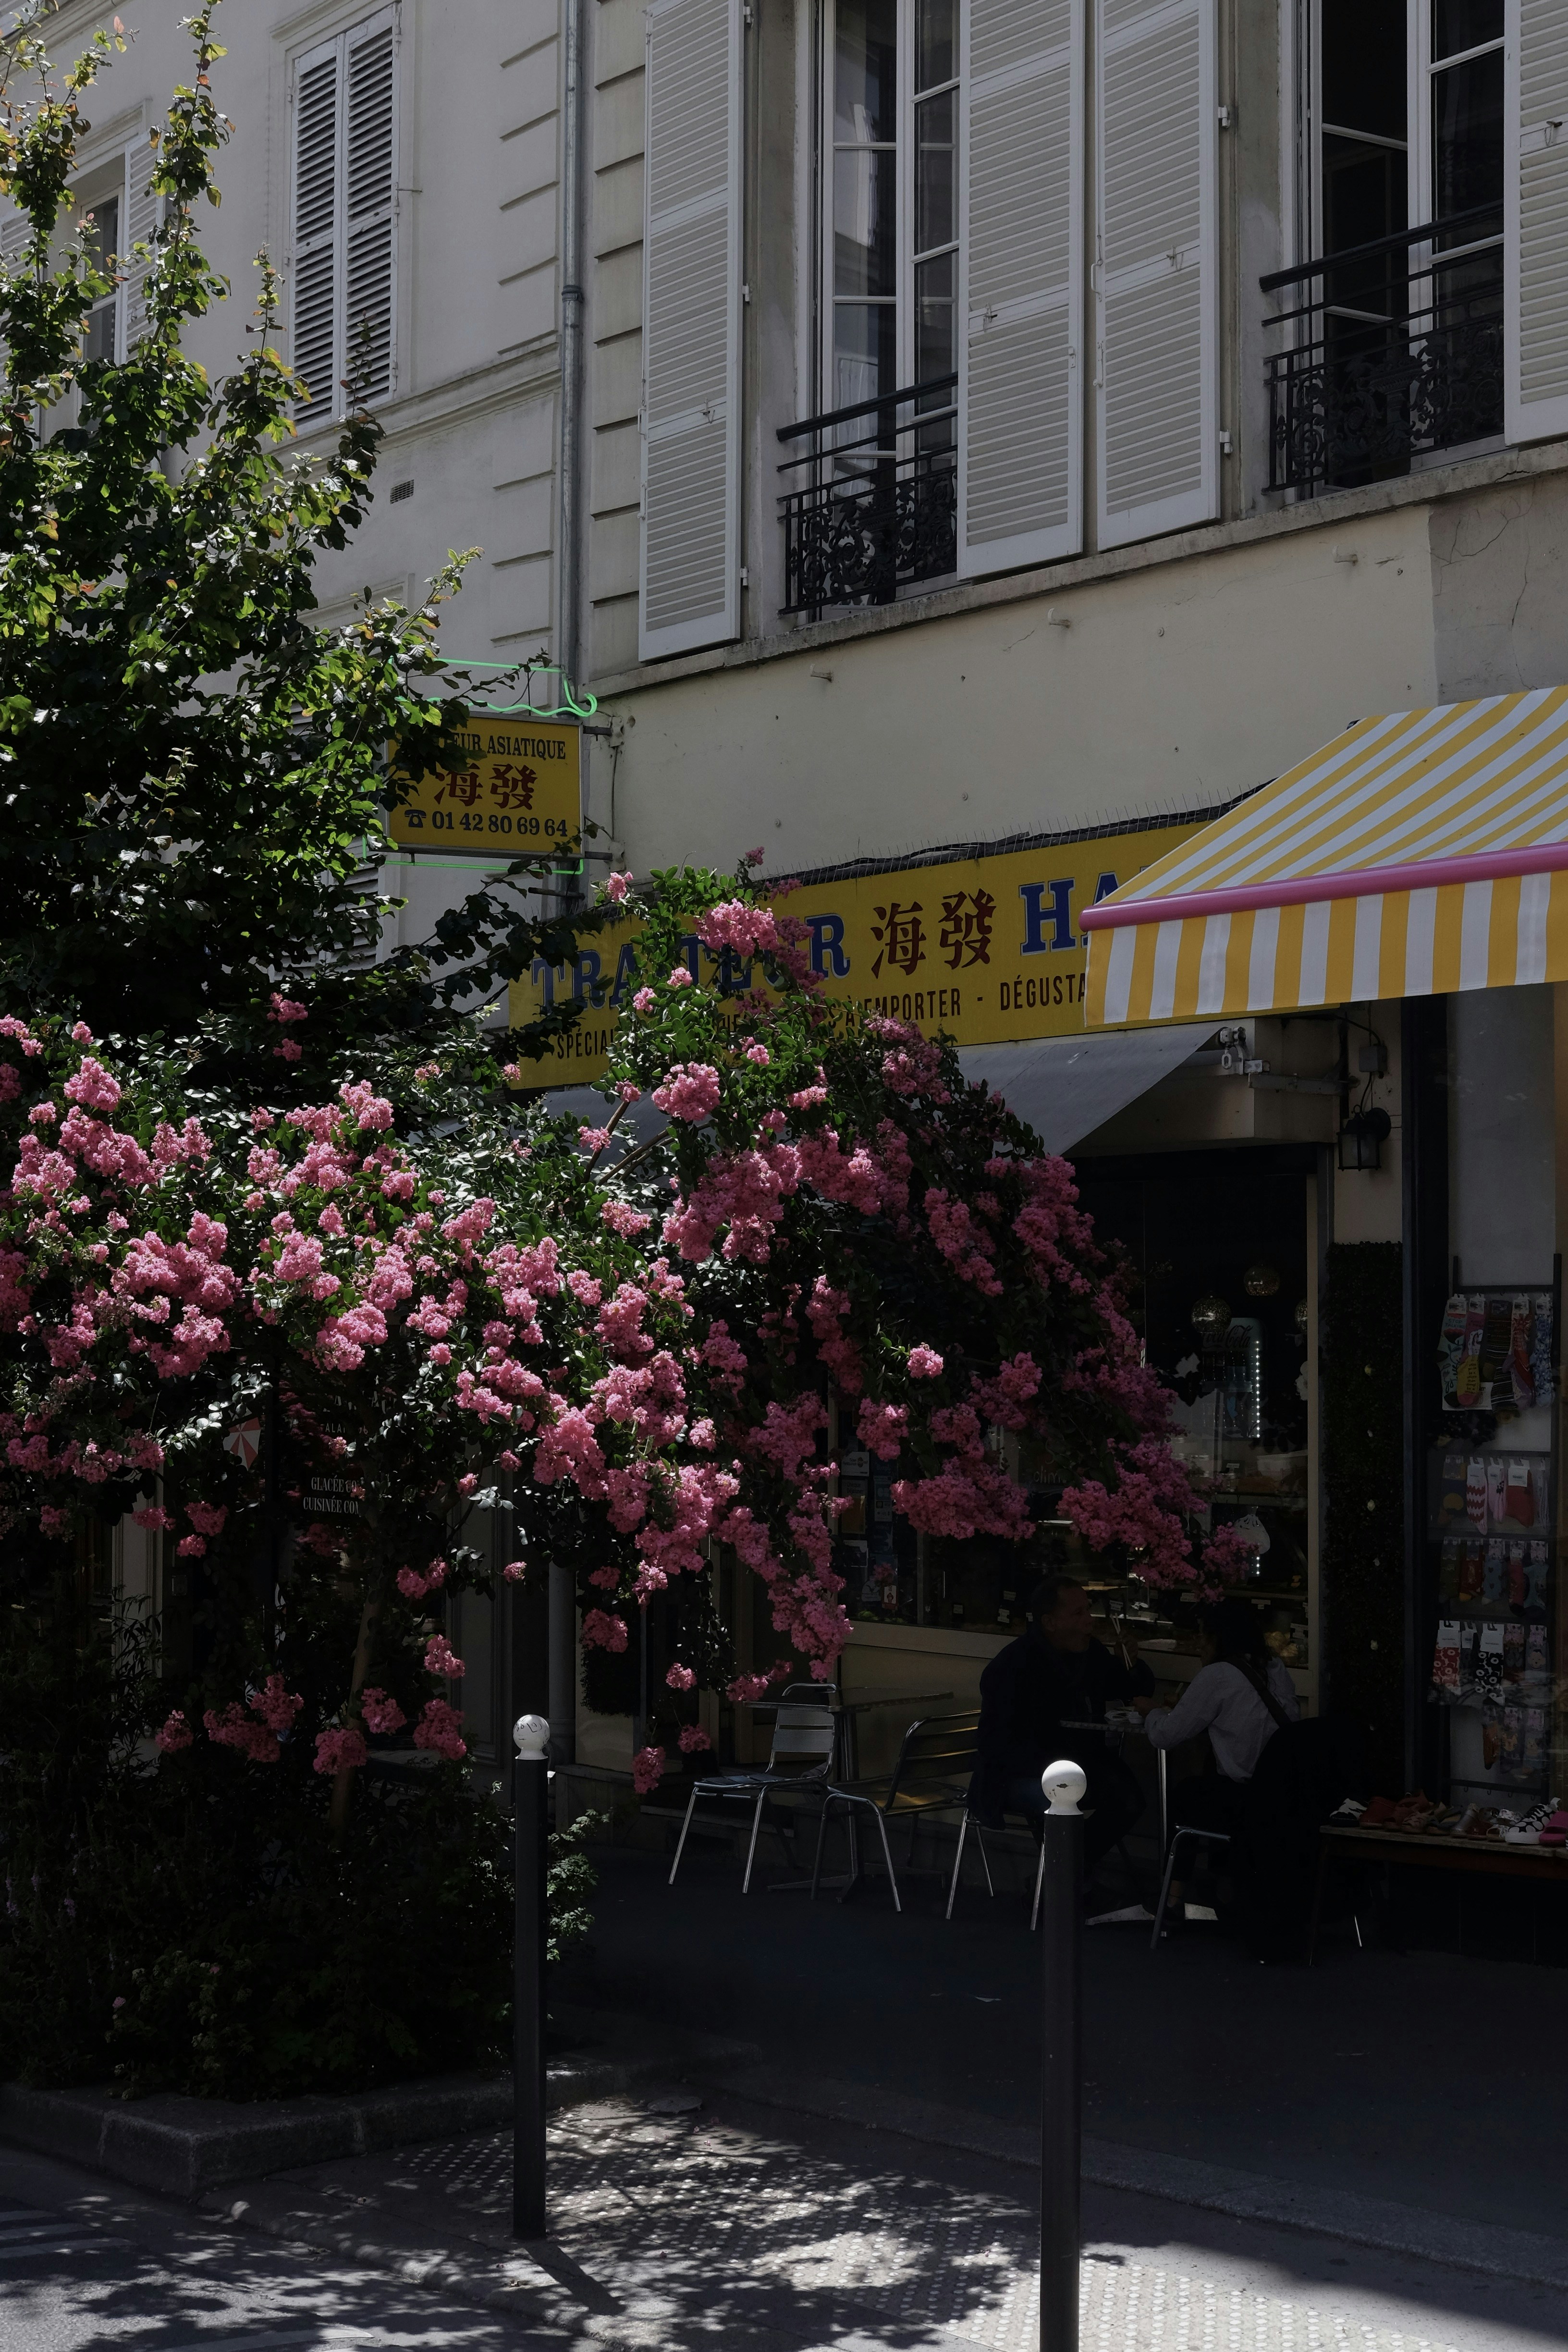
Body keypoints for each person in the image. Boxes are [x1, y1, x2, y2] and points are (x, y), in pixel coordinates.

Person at [973, 1575, 1154, 1884]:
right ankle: (1063, 1886)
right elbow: (999, 1743)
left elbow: (1127, 1689)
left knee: (1129, 1799)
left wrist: (1131, 1663)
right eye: (1078, 1614)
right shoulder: (1013, 1666)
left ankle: (1062, 1878)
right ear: (1050, 1622)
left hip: (1079, 1764)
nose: (1089, 1621)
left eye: (1088, 1611)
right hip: (1022, 1773)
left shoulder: (1090, 1653)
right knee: (1061, 1803)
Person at [1131, 1596, 1298, 1907]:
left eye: (1201, 1635)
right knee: (1210, 1778)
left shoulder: (1218, 1675)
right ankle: (1225, 1887)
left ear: (1216, 1638)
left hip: (1246, 1798)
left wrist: (1151, 1711)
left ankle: (1172, 1898)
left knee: (1188, 1795)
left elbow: (1166, 1736)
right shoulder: (1274, 1666)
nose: (1198, 1643)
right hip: (1284, 1796)